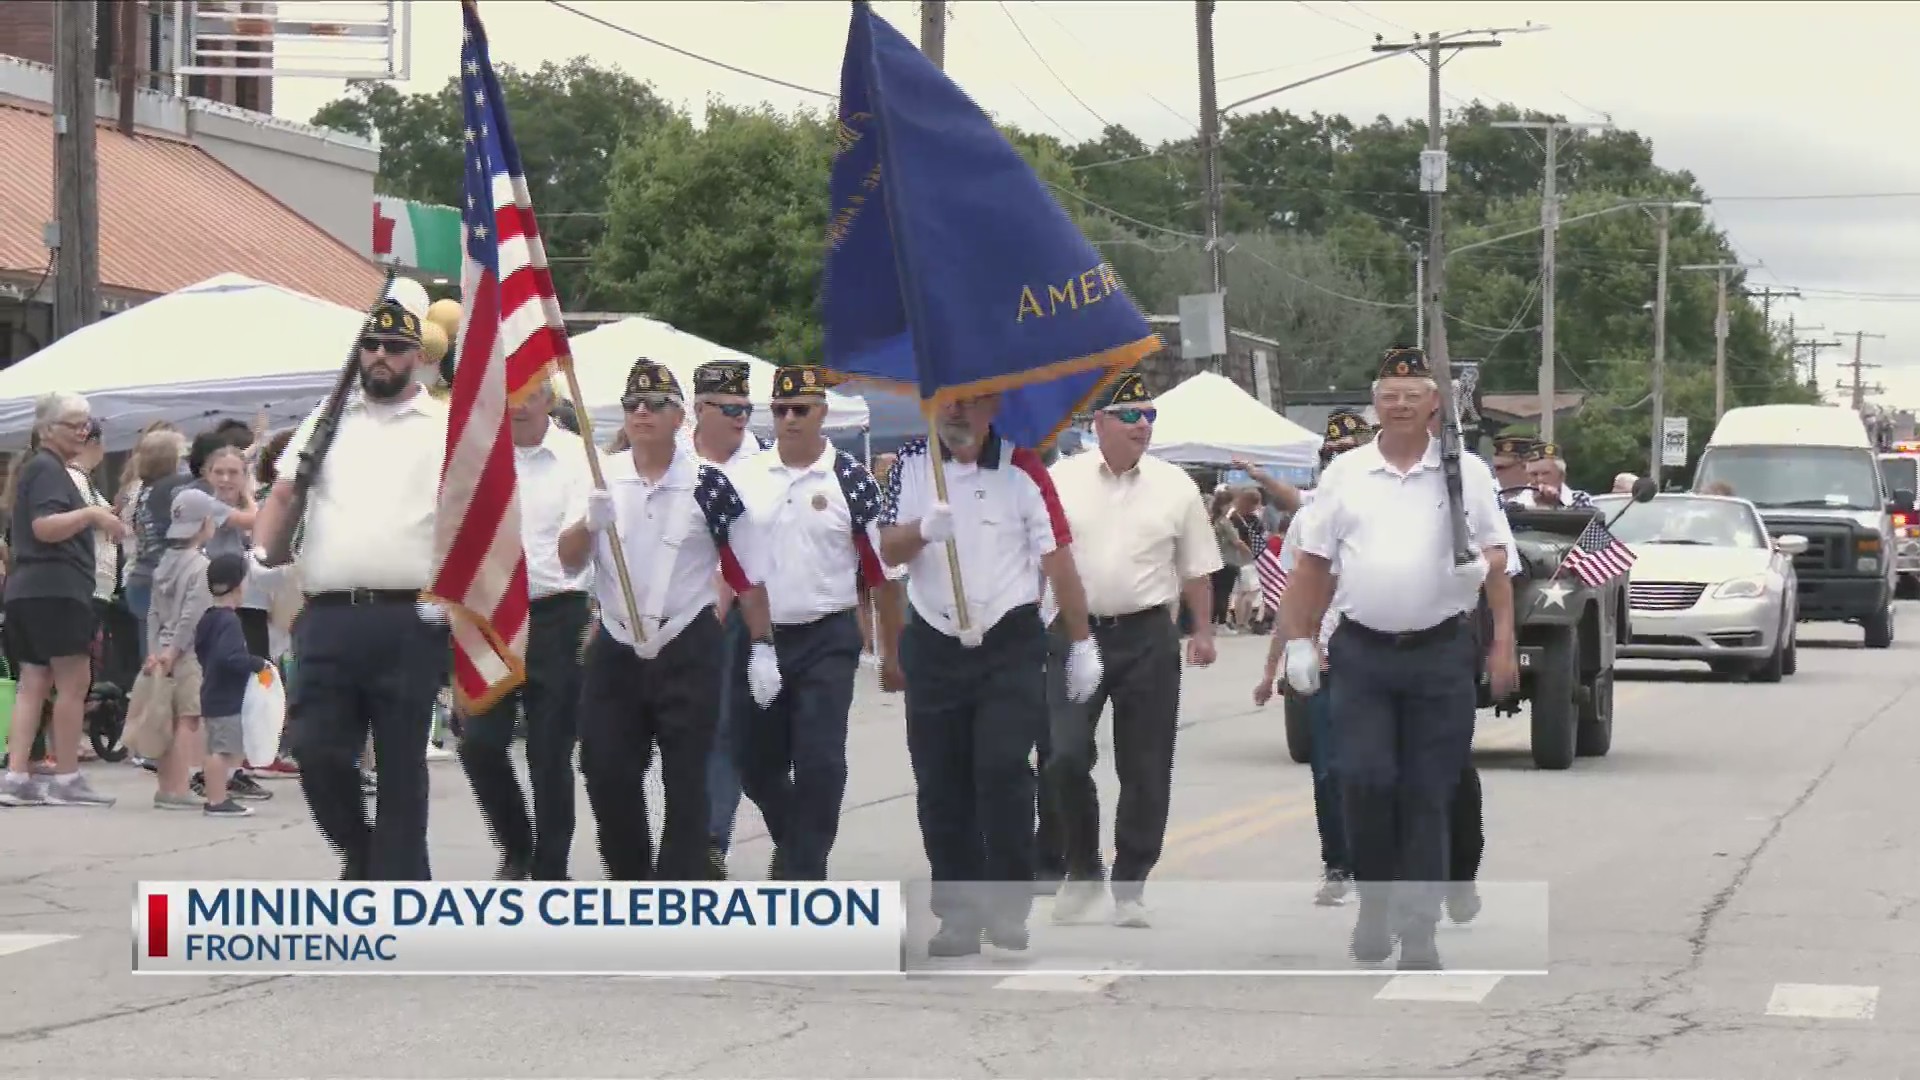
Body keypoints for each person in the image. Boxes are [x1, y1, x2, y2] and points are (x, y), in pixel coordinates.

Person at [1277, 347, 1518, 970]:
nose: (1401, 404)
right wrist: (1300, 638)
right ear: (1375, 405)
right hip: (1363, 653)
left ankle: (1419, 930)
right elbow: (1313, 565)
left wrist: (1501, 641)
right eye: (1389, 395)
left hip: (1441, 652)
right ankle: (1375, 904)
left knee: (1428, 790)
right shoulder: (1346, 474)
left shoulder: (1465, 472)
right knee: (1363, 780)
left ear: (1435, 403)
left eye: (1413, 395)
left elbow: (1500, 558)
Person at [877, 391, 1102, 957]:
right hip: (935, 639)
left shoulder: (1023, 468)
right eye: (946, 401)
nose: (955, 412)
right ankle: (957, 915)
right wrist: (923, 529)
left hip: (1008, 639)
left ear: (992, 407)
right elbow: (888, 549)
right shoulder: (911, 465)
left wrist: (1081, 641)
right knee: (941, 783)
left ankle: (1007, 905)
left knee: (1002, 772)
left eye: (969, 402)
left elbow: (1057, 557)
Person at [253, 298, 450, 881]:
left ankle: (401, 886)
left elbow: (472, 513)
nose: (381, 355)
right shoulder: (329, 416)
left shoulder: (444, 425)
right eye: (371, 345)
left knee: (400, 765)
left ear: (418, 356)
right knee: (316, 751)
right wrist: (261, 553)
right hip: (329, 614)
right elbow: (285, 491)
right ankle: (363, 855)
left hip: (409, 616)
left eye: (395, 347)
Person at [576, 358, 777, 881]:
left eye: (656, 404)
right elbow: (569, 559)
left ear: (679, 417)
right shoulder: (601, 477)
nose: (642, 412)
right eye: (633, 404)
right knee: (604, 768)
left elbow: (747, 571)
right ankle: (630, 878)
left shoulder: (710, 485)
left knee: (687, 779)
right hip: (617, 643)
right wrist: (587, 523)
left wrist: (762, 645)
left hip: (687, 640)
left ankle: (679, 885)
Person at [1043, 371, 1220, 929]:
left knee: (1146, 763)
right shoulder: (1061, 479)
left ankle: (1131, 882)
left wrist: (1204, 631)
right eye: (1129, 415)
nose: (1142, 425)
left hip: (1147, 635)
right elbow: (1035, 557)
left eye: (1149, 415)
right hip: (1074, 632)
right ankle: (1082, 868)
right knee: (1064, 755)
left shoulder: (1175, 485)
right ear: (1099, 423)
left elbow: (1197, 567)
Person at [729, 364, 889, 880]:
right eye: (781, 410)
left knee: (820, 760)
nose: (790, 419)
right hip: (760, 635)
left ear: (822, 413)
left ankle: (804, 870)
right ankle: (795, 842)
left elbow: (880, 568)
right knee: (756, 764)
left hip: (827, 635)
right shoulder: (744, 477)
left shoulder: (852, 479)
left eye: (801, 409)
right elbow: (723, 557)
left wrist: (891, 644)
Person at [458, 379, 595, 882]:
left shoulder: (577, 456)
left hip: (557, 611)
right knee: (479, 744)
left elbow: (578, 542)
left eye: (530, 395)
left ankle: (551, 868)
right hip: (490, 614)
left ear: (549, 400)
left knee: (549, 751)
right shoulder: (480, 457)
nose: (518, 406)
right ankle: (517, 845)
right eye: (510, 396)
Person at [1255, 408, 1371, 907]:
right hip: (1325, 659)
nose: (1339, 460)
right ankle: (1339, 865)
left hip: (1381, 654)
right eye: (1332, 453)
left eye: (1349, 452)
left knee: (1384, 765)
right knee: (1328, 769)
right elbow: (1292, 598)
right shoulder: (1308, 519)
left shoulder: (1396, 508)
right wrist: (1273, 667)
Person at [0, 393, 128, 807]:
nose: (82, 432)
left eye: (85, 425)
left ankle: (17, 775)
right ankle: (66, 776)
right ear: (46, 429)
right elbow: (45, 527)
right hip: (57, 589)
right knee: (73, 683)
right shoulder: (49, 469)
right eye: (74, 424)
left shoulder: (39, 468)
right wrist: (92, 515)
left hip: (30, 590)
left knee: (34, 682)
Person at [685, 358, 770, 878]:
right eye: (730, 408)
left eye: (746, 408)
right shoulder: (670, 457)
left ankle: (711, 840)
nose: (741, 418)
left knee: (722, 727)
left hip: (738, 612)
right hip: (671, 611)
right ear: (699, 409)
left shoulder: (765, 464)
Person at [196, 552, 271, 818]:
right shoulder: (230, 621)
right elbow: (229, 657)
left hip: (212, 691)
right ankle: (217, 801)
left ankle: (216, 796)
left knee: (216, 749)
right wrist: (257, 664)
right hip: (225, 697)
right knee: (222, 751)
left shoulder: (209, 617)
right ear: (238, 586)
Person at [1518, 443, 1593, 508]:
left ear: (1561, 476)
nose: (1540, 479)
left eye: (1546, 473)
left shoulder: (1579, 499)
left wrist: (1555, 503)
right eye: (1534, 474)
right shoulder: (1517, 503)